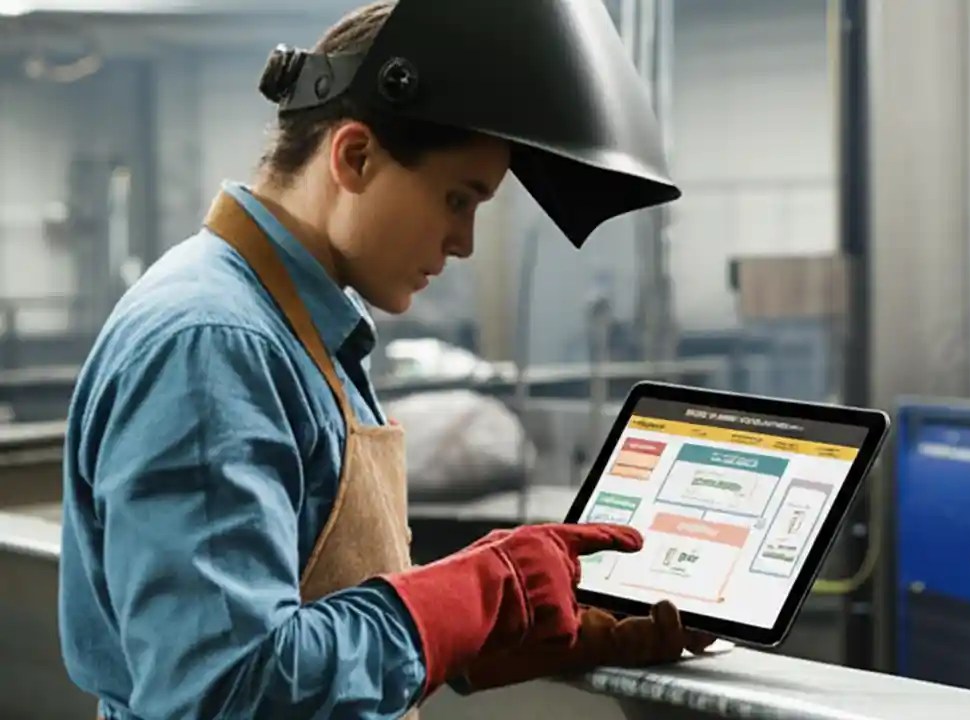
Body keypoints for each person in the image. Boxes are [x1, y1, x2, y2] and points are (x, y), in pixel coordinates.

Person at [57, 1, 711, 718]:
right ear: (355, 156)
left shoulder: (297, 325)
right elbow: (222, 693)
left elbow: (310, 605)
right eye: (458, 199)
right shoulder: (214, 344)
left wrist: (495, 625)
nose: (463, 241)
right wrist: (470, 594)